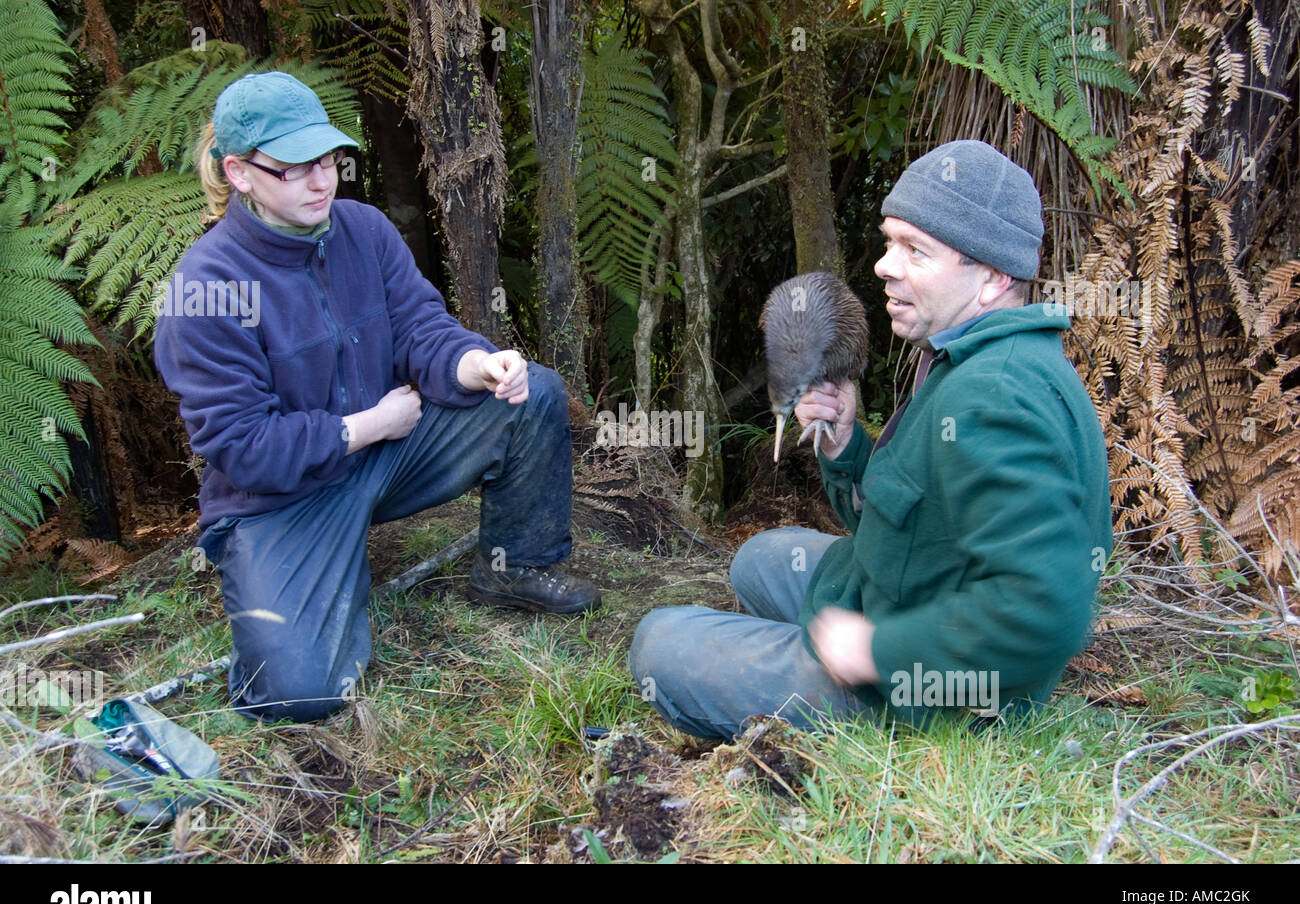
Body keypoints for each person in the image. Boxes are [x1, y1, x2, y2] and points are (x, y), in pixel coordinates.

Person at [154, 72, 599, 723]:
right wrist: (368, 425)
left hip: (388, 455)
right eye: (294, 169)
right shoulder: (206, 289)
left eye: (328, 160)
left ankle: (517, 566)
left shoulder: (361, 230)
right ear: (239, 173)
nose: (321, 182)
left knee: (530, 398)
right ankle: (301, 587)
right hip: (282, 501)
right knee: (296, 692)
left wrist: (474, 363)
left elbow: (421, 327)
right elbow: (239, 446)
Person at [631, 140, 1112, 739]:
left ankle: (845, 705)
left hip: (930, 692)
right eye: (890, 242)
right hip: (902, 592)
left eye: (916, 250)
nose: (885, 265)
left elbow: (1044, 611)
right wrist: (843, 445)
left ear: (991, 277)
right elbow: (912, 521)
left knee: (657, 642)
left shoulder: (996, 398)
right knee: (758, 557)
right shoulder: (968, 358)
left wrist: (876, 652)